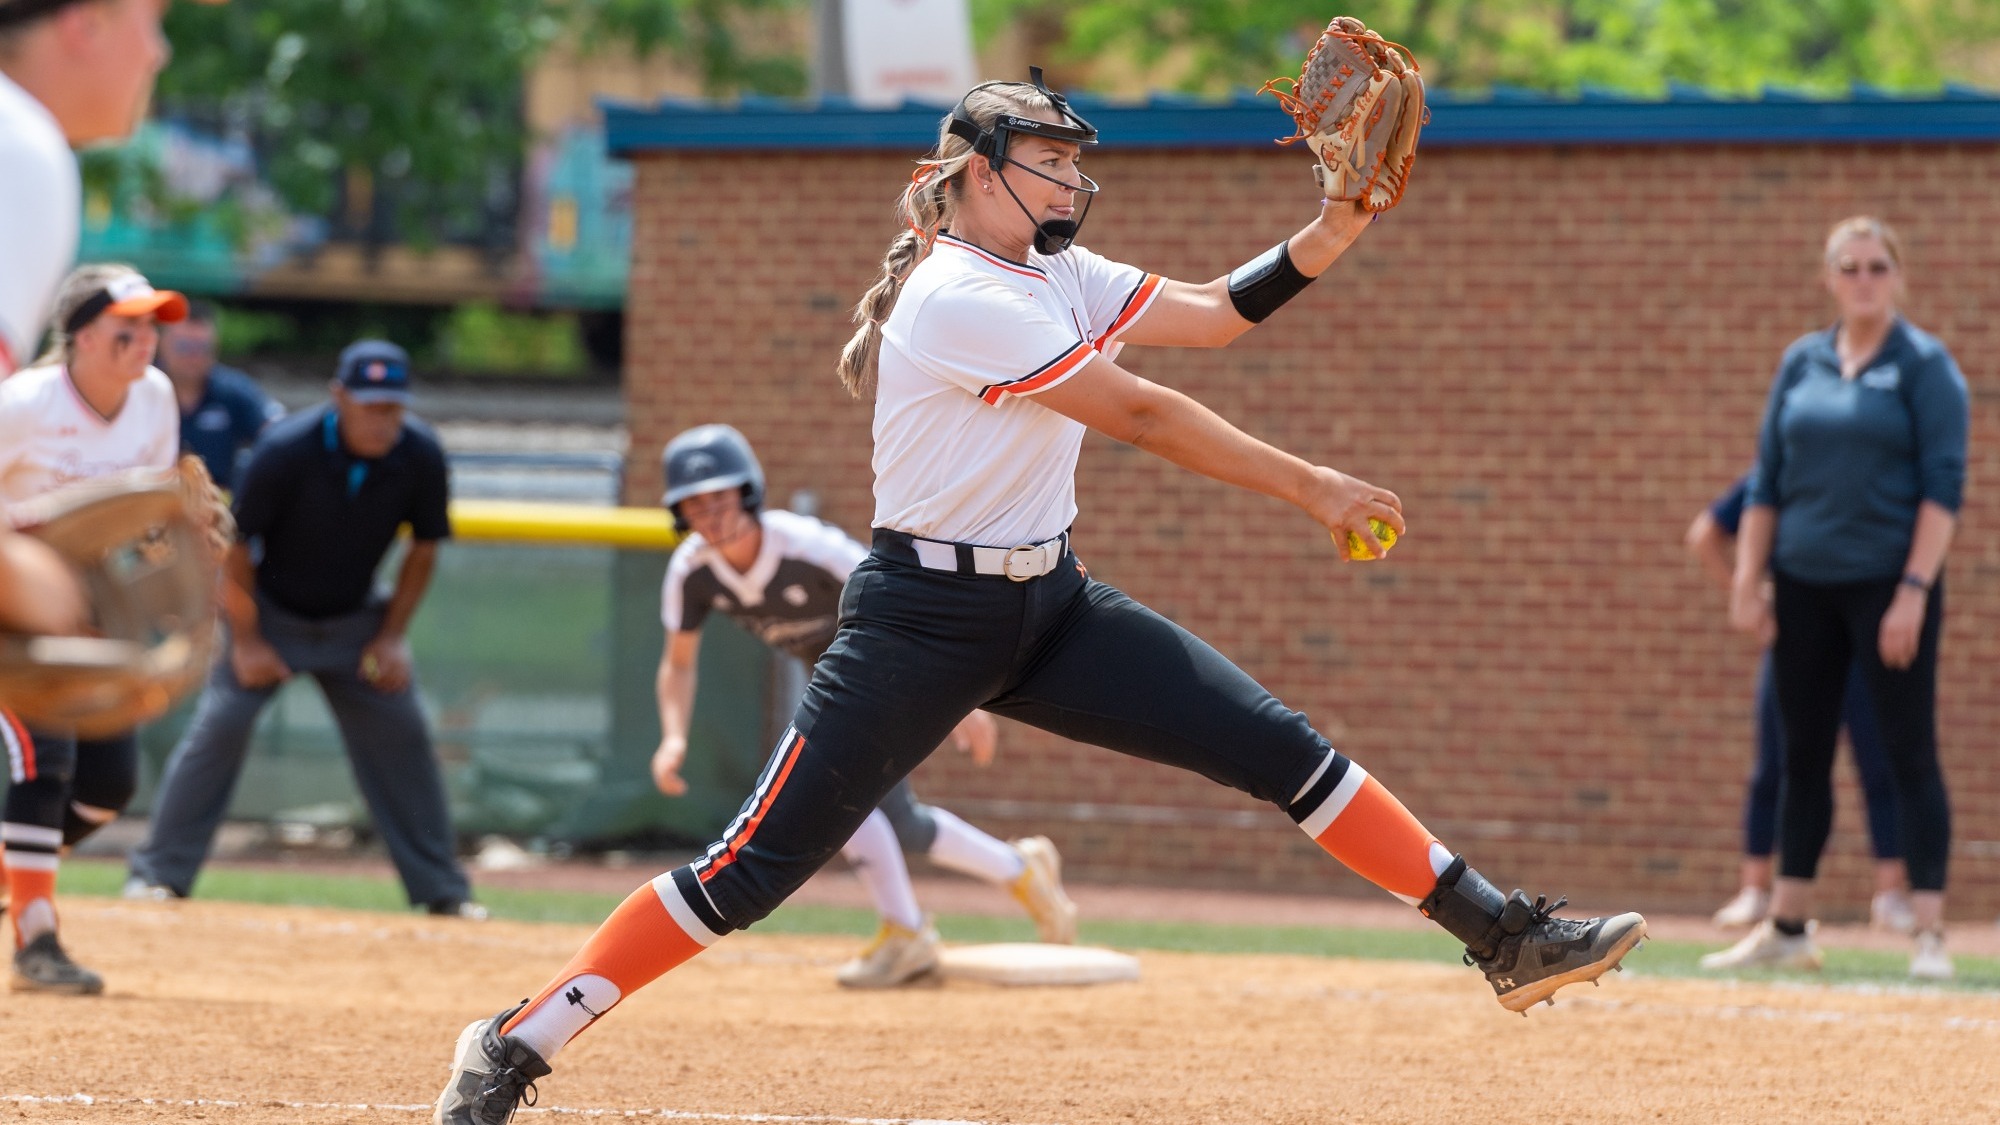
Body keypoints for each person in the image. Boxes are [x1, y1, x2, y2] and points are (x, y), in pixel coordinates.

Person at [433, 72, 1646, 1123]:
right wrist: (1310, 485)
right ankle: (514, 1042)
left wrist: (1331, 230)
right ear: (961, 174)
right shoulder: (957, 293)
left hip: (1048, 607)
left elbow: (1216, 317)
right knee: (742, 875)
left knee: (1286, 753)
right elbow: (1139, 412)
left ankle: (1502, 934)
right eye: (1046, 161)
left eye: (1076, 162)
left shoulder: (1056, 276)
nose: (1069, 182)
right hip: (917, 619)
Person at [651, 424, 1077, 988]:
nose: (710, 514)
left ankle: (907, 932)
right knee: (899, 823)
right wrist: (674, 736)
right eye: (694, 504)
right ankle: (1020, 870)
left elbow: (909, 600)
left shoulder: (808, 546)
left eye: (720, 497)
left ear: (748, 493)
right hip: (833, 679)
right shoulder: (692, 571)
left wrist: (962, 697)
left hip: (895, 662)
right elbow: (678, 662)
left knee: (832, 792)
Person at [124, 340, 483, 918]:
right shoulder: (285, 449)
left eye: (391, 407)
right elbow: (235, 548)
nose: (380, 419)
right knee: (219, 728)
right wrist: (248, 640)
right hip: (269, 613)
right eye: (368, 405)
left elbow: (424, 548)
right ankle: (157, 875)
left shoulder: (418, 453)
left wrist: (390, 636)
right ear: (338, 397)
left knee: (405, 734)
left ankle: (443, 891)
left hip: (356, 622)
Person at [1706, 216, 1967, 980]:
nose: (1863, 279)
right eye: (1849, 267)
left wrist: (1913, 590)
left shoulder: (1924, 366)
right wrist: (1751, 580)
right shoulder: (1803, 362)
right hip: (1805, 587)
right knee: (1802, 757)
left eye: (1877, 267)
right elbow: (1767, 483)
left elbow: (1943, 491)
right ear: (1829, 277)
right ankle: (1787, 923)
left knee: (1908, 750)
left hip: (1889, 587)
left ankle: (1928, 933)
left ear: (1898, 275)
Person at [0, 263, 189, 993]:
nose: (145, 340)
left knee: (108, 784)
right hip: (13, 608)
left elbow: (144, 514)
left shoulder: (154, 399)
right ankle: (36, 934)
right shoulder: (24, 404)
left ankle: (18, 878)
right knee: (43, 755)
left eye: (151, 328)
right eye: (127, 327)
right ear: (80, 336)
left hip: (92, 612)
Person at [0, 0, 214, 639]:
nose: (159, 53)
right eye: (152, 21)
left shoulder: (152, 397)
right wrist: (21, 575)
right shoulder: (19, 146)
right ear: (85, 25)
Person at [1685, 475, 1914, 933]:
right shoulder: (1779, 475)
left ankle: (1890, 894)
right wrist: (1747, 591)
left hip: (1861, 642)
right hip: (1797, 640)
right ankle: (1755, 888)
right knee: (1779, 763)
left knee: (1879, 762)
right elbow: (1704, 534)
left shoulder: (1870, 474)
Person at [158, 300, 284, 489]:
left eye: (202, 347)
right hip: (150, 499)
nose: (193, 356)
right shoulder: (141, 389)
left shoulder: (233, 390)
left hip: (218, 500)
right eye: (183, 346)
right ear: (162, 344)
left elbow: (278, 436)